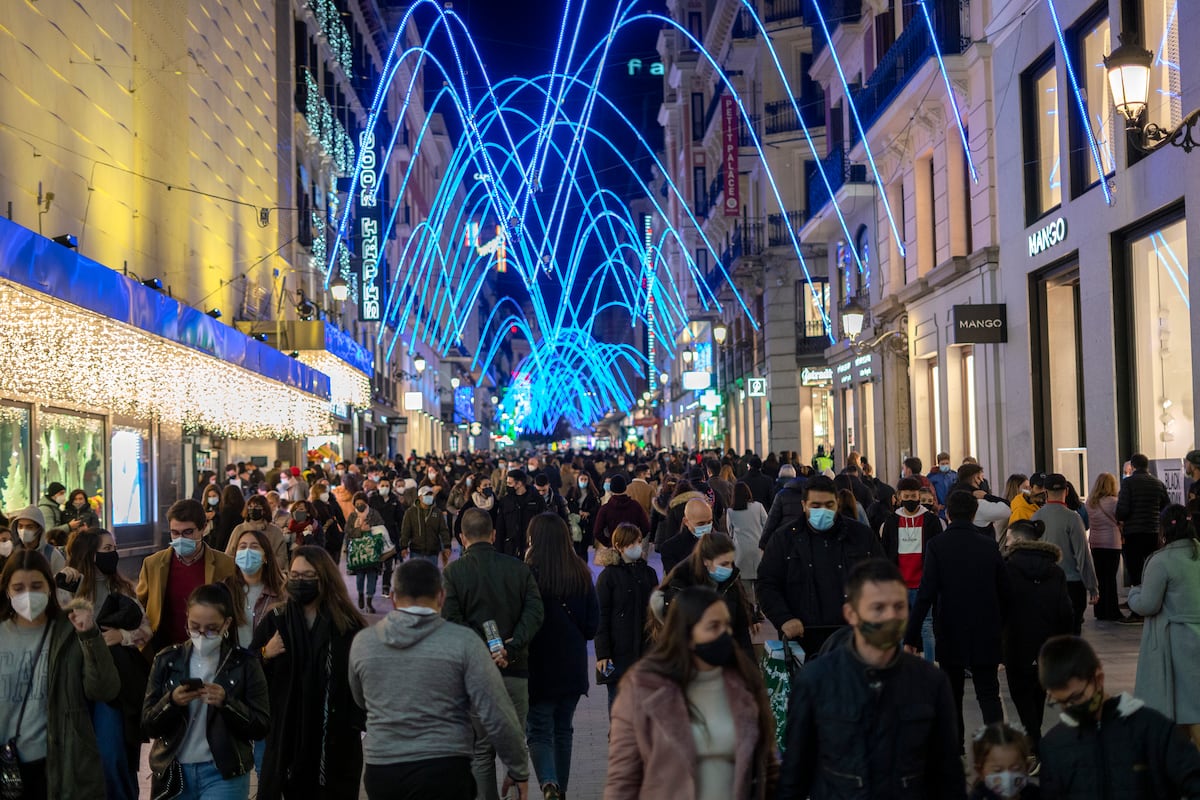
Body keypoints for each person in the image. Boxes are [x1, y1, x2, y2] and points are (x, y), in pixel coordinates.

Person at [777, 558, 963, 799]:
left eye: (899, 606)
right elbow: (794, 776)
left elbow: (948, 776)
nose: (891, 616)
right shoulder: (815, 682)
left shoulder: (931, 682)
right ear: (851, 614)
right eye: (878, 608)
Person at [348, 559, 530, 800]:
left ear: (393, 597)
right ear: (441, 597)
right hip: (446, 766)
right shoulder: (464, 642)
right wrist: (518, 768)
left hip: (384, 766)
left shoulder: (364, 643)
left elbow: (360, 699)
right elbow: (496, 711)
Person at [605, 585, 777, 800]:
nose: (725, 634)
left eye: (727, 625)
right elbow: (623, 779)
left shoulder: (744, 682)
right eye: (713, 626)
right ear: (685, 634)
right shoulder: (643, 689)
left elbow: (766, 765)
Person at [0, 549, 120, 800]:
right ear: (7, 591)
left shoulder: (70, 630)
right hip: (7, 765)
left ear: (50, 587)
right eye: (18, 588)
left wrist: (90, 636)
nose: (28, 595)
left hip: (61, 764)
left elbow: (105, 689)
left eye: (36, 586)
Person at [442, 508, 544, 800]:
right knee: (516, 746)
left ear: (462, 538)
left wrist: (483, 650)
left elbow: (450, 619)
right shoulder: (518, 569)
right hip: (515, 670)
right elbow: (535, 611)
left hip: (475, 676)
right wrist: (511, 647)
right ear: (494, 535)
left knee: (481, 750)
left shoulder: (453, 573)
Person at [252, 546, 366, 799]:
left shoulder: (347, 625)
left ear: (324, 578)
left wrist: (356, 719)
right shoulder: (277, 619)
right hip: (287, 733)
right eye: (294, 575)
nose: (300, 581)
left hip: (334, 736)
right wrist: (265, 653)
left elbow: (364, 678)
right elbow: (249, 670)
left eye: (308, 576)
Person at [142, 583, 270, 800]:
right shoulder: (167, 660)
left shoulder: (245, 664)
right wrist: (171, 701)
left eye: (211, 629)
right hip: (174, 771)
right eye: (194, 627)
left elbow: (261, 726)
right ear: (187, 618)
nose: (201, 635)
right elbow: (148, 724)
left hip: (223, 772)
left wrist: (226, 702)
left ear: (226, 623)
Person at [904, 490, 1010, 752]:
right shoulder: (988, 545)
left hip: (950, 629)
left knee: (952, 694)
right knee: (989, 693)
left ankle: (955, 747)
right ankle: (997, 747)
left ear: (948, 513)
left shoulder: (937, 545)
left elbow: (926, 594)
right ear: (974, 514)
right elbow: (1005, 591)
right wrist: (1005, 631)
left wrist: (911, 636)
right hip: (985, 629)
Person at [1037, 635, 1200, 798]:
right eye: (1061, 702)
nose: (1070, 707)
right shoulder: (1053, 746)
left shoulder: (1152, 729)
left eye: (1076, 697)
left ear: (1099, 678)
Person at [59, 528, 150, 799]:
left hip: (112, 683)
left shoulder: (121, 588)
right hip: (74, 681)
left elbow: (145, 629)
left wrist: (122, 636)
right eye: (107, 549)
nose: (114, 554)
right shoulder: (70, 587)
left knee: (112, 754)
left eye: (114, 548)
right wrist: (61, 588)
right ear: (89, 553)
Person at [756, 475, 883, 656]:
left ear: (837, 503)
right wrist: (784, 618)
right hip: (803, 640)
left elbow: (882, 578)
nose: (823, 511)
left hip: (855, 638)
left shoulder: (861, 536)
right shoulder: (784, 539)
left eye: (829, 505)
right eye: (815, 506)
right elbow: (767, 583)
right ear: (804, 505)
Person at [524, 513, 599, 800]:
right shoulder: (581, 573)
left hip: (539, 665)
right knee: (563, 730)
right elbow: (591, 626)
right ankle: (561, 791)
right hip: (572, 665)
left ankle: (548, 783)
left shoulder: (528, 575)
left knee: (539, 729)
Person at [1001, 519, 1074, 764]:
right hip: (1047, 645)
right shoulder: (1056, 571)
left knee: (1021, 696)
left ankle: (1036, 745)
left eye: (1009, 540)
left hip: (1016, 643)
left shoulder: (1007, 570)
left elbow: (1000, 609)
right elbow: (1066, 612)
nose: (1006, 544)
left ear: (1019, 541)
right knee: (1038, 695)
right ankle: (1034, 742)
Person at [1127, 504, 1200, 747]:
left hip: (1175, 642)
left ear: (1163, 530)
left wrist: (1133, 594)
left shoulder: (1161, 561)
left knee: (1182, 706)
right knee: (1193, 702)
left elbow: (1148, 604)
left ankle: (1180, 762)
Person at [137, 499, 239, 657]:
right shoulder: (153, 564)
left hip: (210, 650)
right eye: (175, 533)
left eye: (188, 532)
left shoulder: (226, 564)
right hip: (163, 651)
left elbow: (234, 609)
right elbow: (140, 605)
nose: (180, 539)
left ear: (203, 528)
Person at [654, 532, 755, 655]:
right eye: (723, 564)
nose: (729, 569)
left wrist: (747, 663)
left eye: (731, 563)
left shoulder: (731, 584)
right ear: (706, 561)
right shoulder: (680, 589)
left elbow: (741, 632)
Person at [595, 523, 658, 707]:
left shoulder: (649, 573)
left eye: (638, 541)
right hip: (618, 651)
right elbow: (601, 617)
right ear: (619, 546)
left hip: (646, 649)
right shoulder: (608, 576)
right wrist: (603, 653)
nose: (636, 546)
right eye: (630, 543)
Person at [880, 476, 943, 661]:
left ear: (919, 496)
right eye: (906, 496)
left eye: (914, 496)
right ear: (899, 497)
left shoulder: (930, 520)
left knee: (926, 626)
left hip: (923, 582)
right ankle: (902, 665)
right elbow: (886, 550)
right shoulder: (892, 520)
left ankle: (929, 665)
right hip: (899, 583)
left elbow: (937, 550)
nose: (910, 500)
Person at [1032, 474, 1098, 634]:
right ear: (1066, 491)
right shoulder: (1073, 518)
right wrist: (1092, 586)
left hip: (1044, 582)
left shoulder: (1036, 517)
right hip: (1071, 584)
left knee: (1049, 632)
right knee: (1072, 632)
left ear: (1045, 492)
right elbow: (1083, 555)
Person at [1115, 453, 1170, 598]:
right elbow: (1166, 508)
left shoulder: (1128, 483)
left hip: (1133, 533)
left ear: (1132, 466)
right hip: (1153, 532)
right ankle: (1153, 599)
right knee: (1152, 567)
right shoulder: (1158, 483)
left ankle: (1139, 602)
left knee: (1135, 569)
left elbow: (1123, 510)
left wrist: (1119, 518)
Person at [229, 527, 286, 651]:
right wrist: (264, 652)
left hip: (269, 662)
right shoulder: (226, 590)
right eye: (243, 546)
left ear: (265, 556)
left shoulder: (281, 592)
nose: (247, 551)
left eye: (254, 547)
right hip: (235, 660)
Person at [1084, 472, 1124, 621]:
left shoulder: (1090, 502)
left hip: (1095, 542)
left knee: (1100, 577)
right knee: (1110, 578)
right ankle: (1112, 610)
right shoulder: (1115, 502)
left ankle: (1099, 611)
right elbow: (1121, 520)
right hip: (1112, 542)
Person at [969, 723, 1040, 800]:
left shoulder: (1035, 795)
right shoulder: (977, 797)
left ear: (1027, 767)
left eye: (1015, 769)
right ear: (980, 771)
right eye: (997, 770)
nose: (1007, 777)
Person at [724, 481, 766, 610]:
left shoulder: (731, 511)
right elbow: (766, 524)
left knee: (746, 585)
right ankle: (760, 609)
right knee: (759, 582)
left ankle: (751, 610)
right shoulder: (758, 506)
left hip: (740, 551)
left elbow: (730, 531)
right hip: (758, 548)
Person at [222, 493, 288, 570]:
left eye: (257, 507)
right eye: (250, 506)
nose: (253, 509)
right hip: (241, 572)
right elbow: (229, 554)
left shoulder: (275, 531)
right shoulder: (239, 529)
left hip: (268, 573)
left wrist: (266, 567)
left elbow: (281, 557)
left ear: (264, 510)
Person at [345, 491, 386, 613]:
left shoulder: (374, 514)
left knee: (372, 576)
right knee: (360, 577)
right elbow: (348, 533)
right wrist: (360, 530)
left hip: (373, 551)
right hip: (358, 553)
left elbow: (381, 528)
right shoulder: (352, 516)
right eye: (357, 504)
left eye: (362, 503)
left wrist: (370, 530)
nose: (360, 506)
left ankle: (369, 600)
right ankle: (361, 594)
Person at [591, 475, 651, 552]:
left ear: (611, 488)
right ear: (625, 488)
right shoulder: (635, 506)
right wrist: (636, 539)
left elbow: (597, 532)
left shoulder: (605, 508)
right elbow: (646, 527)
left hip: (614, 547)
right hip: (632, 547)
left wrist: (609, 543)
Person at [657, 496, 715, 576]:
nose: (706, 526)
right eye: (701, 523)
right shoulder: (670, 548)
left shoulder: (720, 543)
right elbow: (676, 578)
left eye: (709, 522)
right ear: (686, 521)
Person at [495, 469, 546, 558]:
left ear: (519, 484)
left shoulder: (537, 500)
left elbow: (543, 525)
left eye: (510, 483)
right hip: (510, 550)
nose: (507, 486)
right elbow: (500, 528)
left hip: (531, 549)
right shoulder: (505, 501)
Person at [400, 484, 452, 569]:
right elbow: (405, 531)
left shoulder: (437, 512)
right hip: (416, 551)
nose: (429, 497)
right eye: (426, 495)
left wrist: (447, 546)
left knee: (431, 575)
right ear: (420, 497)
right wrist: (403, 547)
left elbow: (443, 530)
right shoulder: (410, 512)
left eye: (431, 495)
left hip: (432, 551)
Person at [369, 474, 404, 595]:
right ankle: (371, 589)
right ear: (378, 486)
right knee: (375, 564)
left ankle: (386, 586)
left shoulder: (394, 500)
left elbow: (400, 518)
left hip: (391, 536)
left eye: (387, 486)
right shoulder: (372, 500)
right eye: (382, 485)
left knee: (389, 564)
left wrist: (402, 535)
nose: (384, 487)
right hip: (375, 536)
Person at [9, 506, 66, 574]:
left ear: (39, 529)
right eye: (20, 526)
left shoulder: (53, 556)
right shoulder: (11, 552)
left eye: (30, 527)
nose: (24, 531)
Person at [564, 470, 601, 560]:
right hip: (574, 522)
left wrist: (588, 513)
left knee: (583, 549)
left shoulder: (593, 493)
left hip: (586, 523)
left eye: (585, 479)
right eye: (581, 479)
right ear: (578, 480)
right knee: (575, 547)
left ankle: (583, 566)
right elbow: (567, 503)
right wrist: (577, 511)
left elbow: (596, 507)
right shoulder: (572, 491)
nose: (583, 481)